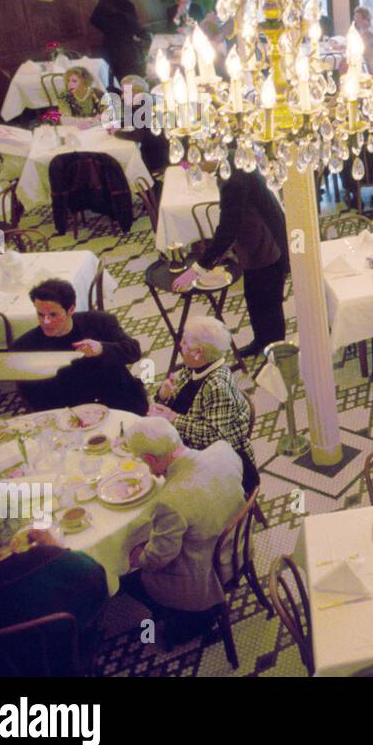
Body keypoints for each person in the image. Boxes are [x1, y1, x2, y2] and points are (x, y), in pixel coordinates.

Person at [118, 418, 246, 646]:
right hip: (239, 548)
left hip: (204, 576)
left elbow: (158, 559)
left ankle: (190, 620)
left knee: (126, 576)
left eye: (142, 462)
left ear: (149, 459)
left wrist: (137, 556)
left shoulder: (169, 501)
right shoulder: (223, 450)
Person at [0, 511, 109, 675]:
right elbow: (98, 589)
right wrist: (57, 550)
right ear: (12, 536)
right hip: (65, 661)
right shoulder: (62, 563)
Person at [172, 165, 288, 359]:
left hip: (267, 246)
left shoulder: (234, 180)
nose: (194, 167)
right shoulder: (231, 162)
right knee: (253, 299)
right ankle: (261, 341)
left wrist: (197, 269)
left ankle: (277, 355)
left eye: (195, 161)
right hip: (252, 247)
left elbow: (228, 227)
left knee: (270, 306)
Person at [147, 316, 258, 495]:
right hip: (187, 444)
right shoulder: (194, 367)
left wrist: (172, 418)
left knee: (155, 489)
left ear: (198, 353)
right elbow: (178, 401)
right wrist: (163, 396)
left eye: (184, 342)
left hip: (222, 464)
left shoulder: (217, 386)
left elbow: (216, 438)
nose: (180, 346)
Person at [14, 278, 147, 414]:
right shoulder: (25, 347)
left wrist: (102, 348)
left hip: (120, 400)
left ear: (70, 309)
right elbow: (34, 399)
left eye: (53, 315)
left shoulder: (99, 322)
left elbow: (134, 351)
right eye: (40, 314)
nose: (46, 322)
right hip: (72, 414)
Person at [90, 0, 150, 82]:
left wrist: (110, 31)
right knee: (129, 78)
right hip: (125, 48)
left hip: (108, 47)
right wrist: (145, 36)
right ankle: (130, 98)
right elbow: (134, 26)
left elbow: (93, 19)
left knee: (114, 78)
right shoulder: (126, 4)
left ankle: (117, 97)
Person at [113, 75, 169, 174]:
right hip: (155, 151)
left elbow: (138, 136)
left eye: (125, 93)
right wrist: (118, 123)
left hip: (156, 159)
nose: (122, 96)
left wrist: (116, 133)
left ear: (136, 93)